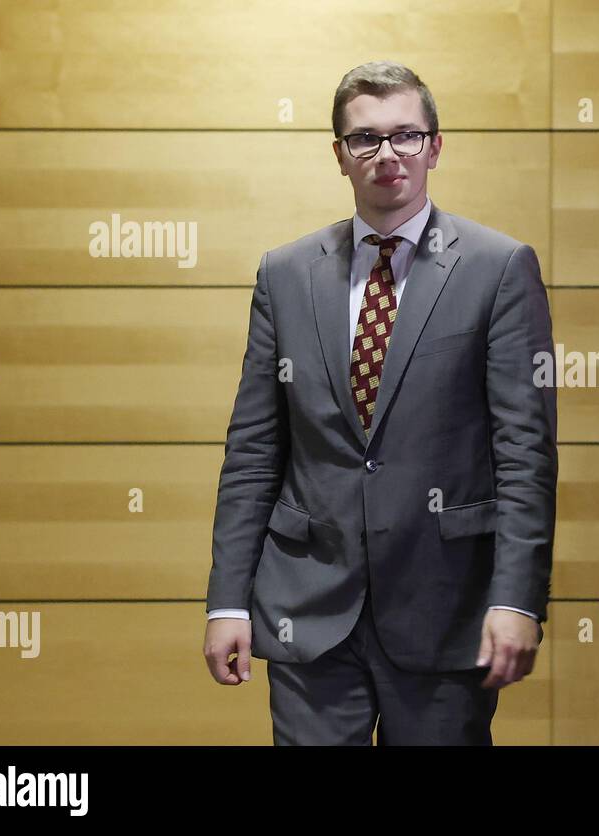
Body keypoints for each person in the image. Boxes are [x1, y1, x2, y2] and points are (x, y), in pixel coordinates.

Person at [202, 61, 557, 745]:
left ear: (435, 146)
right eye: (365, 139)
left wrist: (517, 597)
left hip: (447, 607)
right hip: (308, 605)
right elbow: (252, 450)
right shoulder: (285, 273)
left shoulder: (498, 268)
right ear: (339, 155)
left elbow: (525, 456)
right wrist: (227, 601)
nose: (387, 154)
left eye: (406, 135)